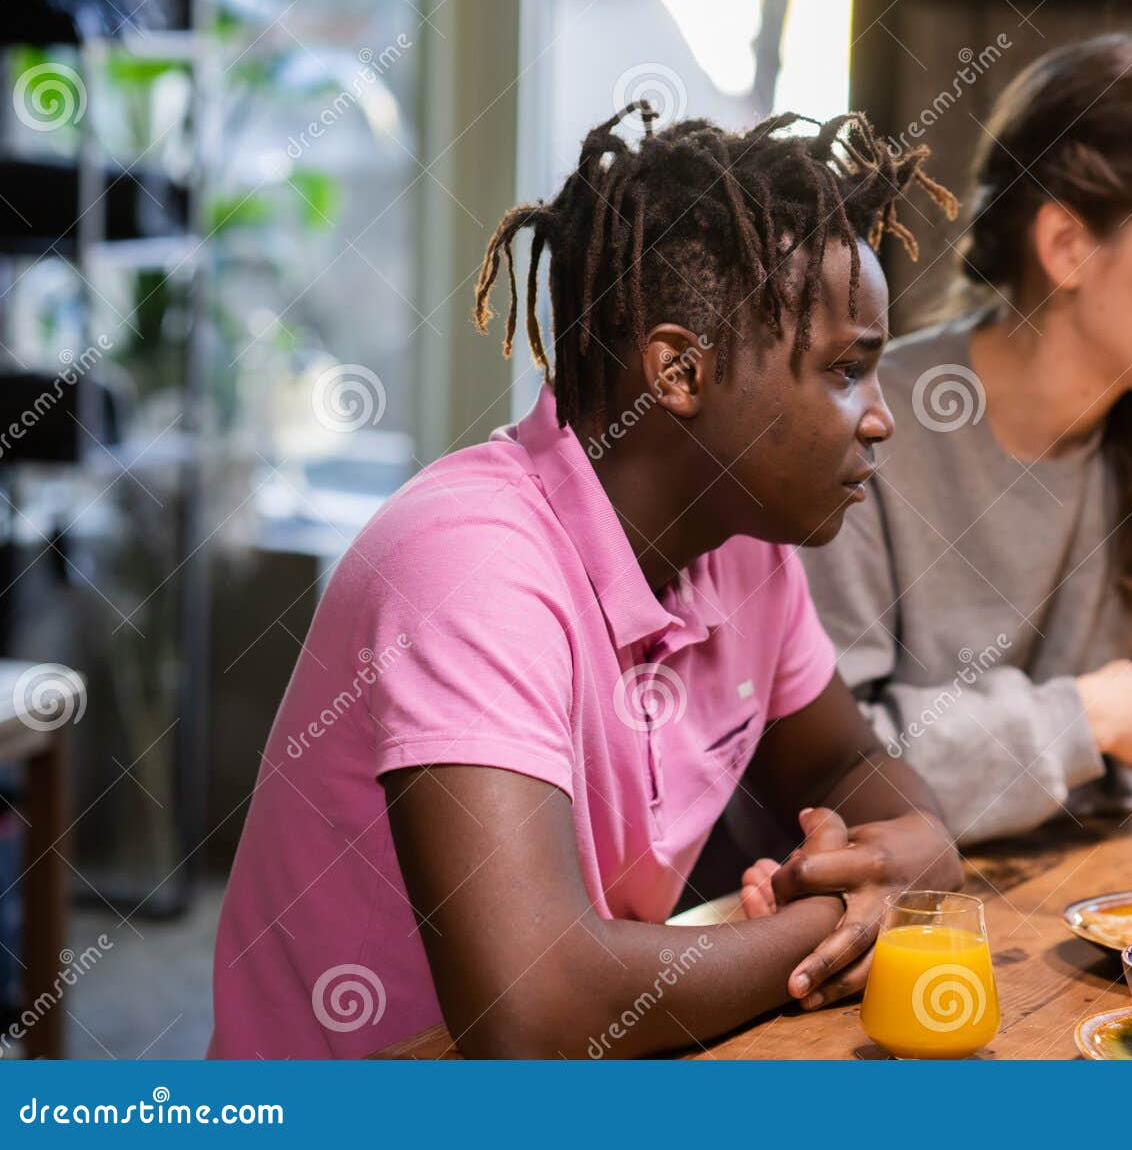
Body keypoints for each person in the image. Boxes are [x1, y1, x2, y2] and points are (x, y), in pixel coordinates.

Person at [208, 103, 963, 1058]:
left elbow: (839, 766)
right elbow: (535, 1010)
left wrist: (917, 841)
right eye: (848, 370)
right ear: (680, 370)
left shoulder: (747, 548)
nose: (882, 418)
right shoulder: (470, 565)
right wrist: (849, 919)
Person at [783, 36, 1132, 850]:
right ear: (1066, 246)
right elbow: (834, 772)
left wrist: (1073, 742)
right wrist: (1082, 722)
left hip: (1074, 878)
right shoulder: (864, 427)